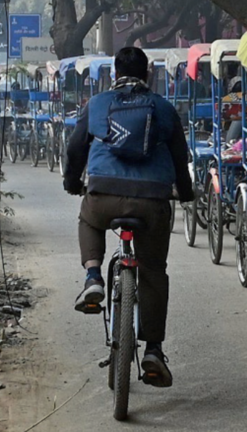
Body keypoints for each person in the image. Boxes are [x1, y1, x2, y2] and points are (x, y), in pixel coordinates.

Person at [62, 47, 194, 388]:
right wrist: (187, 192)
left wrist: (73, 182)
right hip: (152, 200)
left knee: (89, 220)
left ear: (114, 72)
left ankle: (93, 278)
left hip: (103, 194)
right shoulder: (163, 108)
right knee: (153, 271)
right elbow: (181, 157)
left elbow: (76, 148)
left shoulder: (98, 104)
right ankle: (153, 349)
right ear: (147, 73)